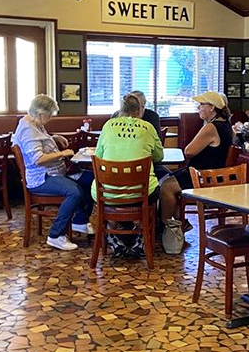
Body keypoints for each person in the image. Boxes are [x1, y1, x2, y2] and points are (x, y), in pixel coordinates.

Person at [12, 94, 94, 251]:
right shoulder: (28, 129)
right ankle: (56, 235)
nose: (50, 118)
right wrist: (63, 153)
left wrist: (53, 138)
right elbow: (38, 159)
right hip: (42, 178)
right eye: (49, 115)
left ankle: (79, 221)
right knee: (74, 192)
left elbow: (39, 142)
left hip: (53, 172)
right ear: (40, 113)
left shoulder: (33, 122)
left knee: (89, 179)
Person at [160, 91, 233, 254]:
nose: (198, 108)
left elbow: (189, 151)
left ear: (212, 107)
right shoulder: (225, 124)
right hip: (211, 174)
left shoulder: (211, 127)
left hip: (203, 176)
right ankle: (181, 222)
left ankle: (167, 227)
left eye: (201, 105)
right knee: (166, 177)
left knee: (166, 187)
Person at [94, 93, 164, 259]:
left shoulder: (108, 125)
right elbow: (159, 156)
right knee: (155, 191)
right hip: (141, 193)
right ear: (140, 110)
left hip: (108, 193)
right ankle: (141, 234)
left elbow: (98, 156)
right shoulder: (148, 127)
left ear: (121, 110)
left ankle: (112, 234)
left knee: (98, 192)